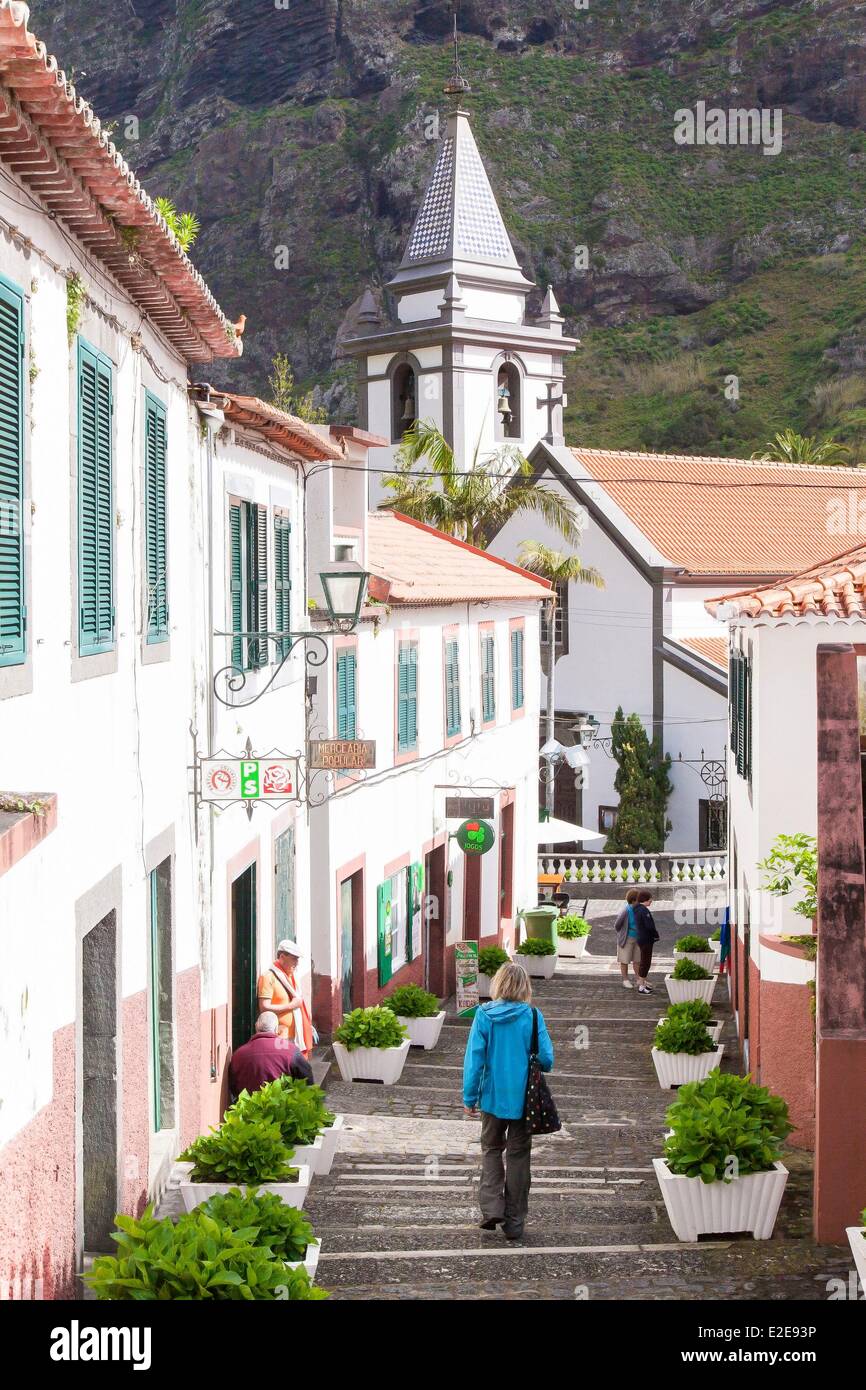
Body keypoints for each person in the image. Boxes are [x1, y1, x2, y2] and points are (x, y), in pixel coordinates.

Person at [462, 962, 554, 1242]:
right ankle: (514, 1223)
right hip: (524, 1102)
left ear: (498, 984)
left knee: (491, 1149)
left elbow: (474, 1059)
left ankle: (492, 1208)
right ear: (525, 986)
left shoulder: (484, 1015)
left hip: (491, 1099)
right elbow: (547, 1060)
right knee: (518, 1157)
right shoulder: (534, 1016)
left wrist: (470, 1097)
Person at [228, 1011, 313, 1100]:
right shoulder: (290, 1050)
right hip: (283, 1107)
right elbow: (307, 1079)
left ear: (256, 1026)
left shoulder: (238, 1054)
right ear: (276, 1029)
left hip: (248, 1108)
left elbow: (233, 1087)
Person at [256, 938, 315, 1057]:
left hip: (296, 1036)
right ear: (282, 957)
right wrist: (291, 1006)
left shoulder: (291, 978)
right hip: (280, 1037)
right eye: (294, 959)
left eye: (297, 959)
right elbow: (264, 1007)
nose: (297, 963)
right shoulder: (268, 977)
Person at [614, 888, 642, 989]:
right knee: (624, 960)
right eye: (639, 899)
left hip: (637, 938)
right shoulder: (626, 910)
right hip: (627, 938)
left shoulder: (640, 909)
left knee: (637, 960)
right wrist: (622, 934)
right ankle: (625, 980)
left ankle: (639, 979)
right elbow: (617, 925)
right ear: (634, 900)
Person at [634, 889, 660, 995]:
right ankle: (641, 985)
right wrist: (655, 934)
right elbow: (649, 926)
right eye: (649, 900)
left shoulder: (636, 909)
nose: (651, 902)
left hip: (640, 937)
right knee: (646, 962)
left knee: (644, 961)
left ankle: (643, 983)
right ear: (645, 900)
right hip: (646, 939)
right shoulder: (644, 911)